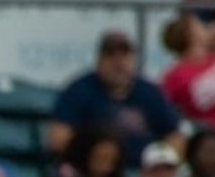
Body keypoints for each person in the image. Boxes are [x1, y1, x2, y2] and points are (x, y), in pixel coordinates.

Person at [46, 30, 177, 162]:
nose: (118, 63)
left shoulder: (150, 92)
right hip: (93, 174)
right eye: (111, 56)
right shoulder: (78, 91)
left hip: (144, 172)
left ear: (134, 60)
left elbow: (175, 137)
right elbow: (58, 139)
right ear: (99, 61)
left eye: (124, 56)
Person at [160, 17, 215, 135]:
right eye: (200, 26)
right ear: (192, 35)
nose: (206, 28)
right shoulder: (176, 75)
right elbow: (161, 104)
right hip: (213, 135)